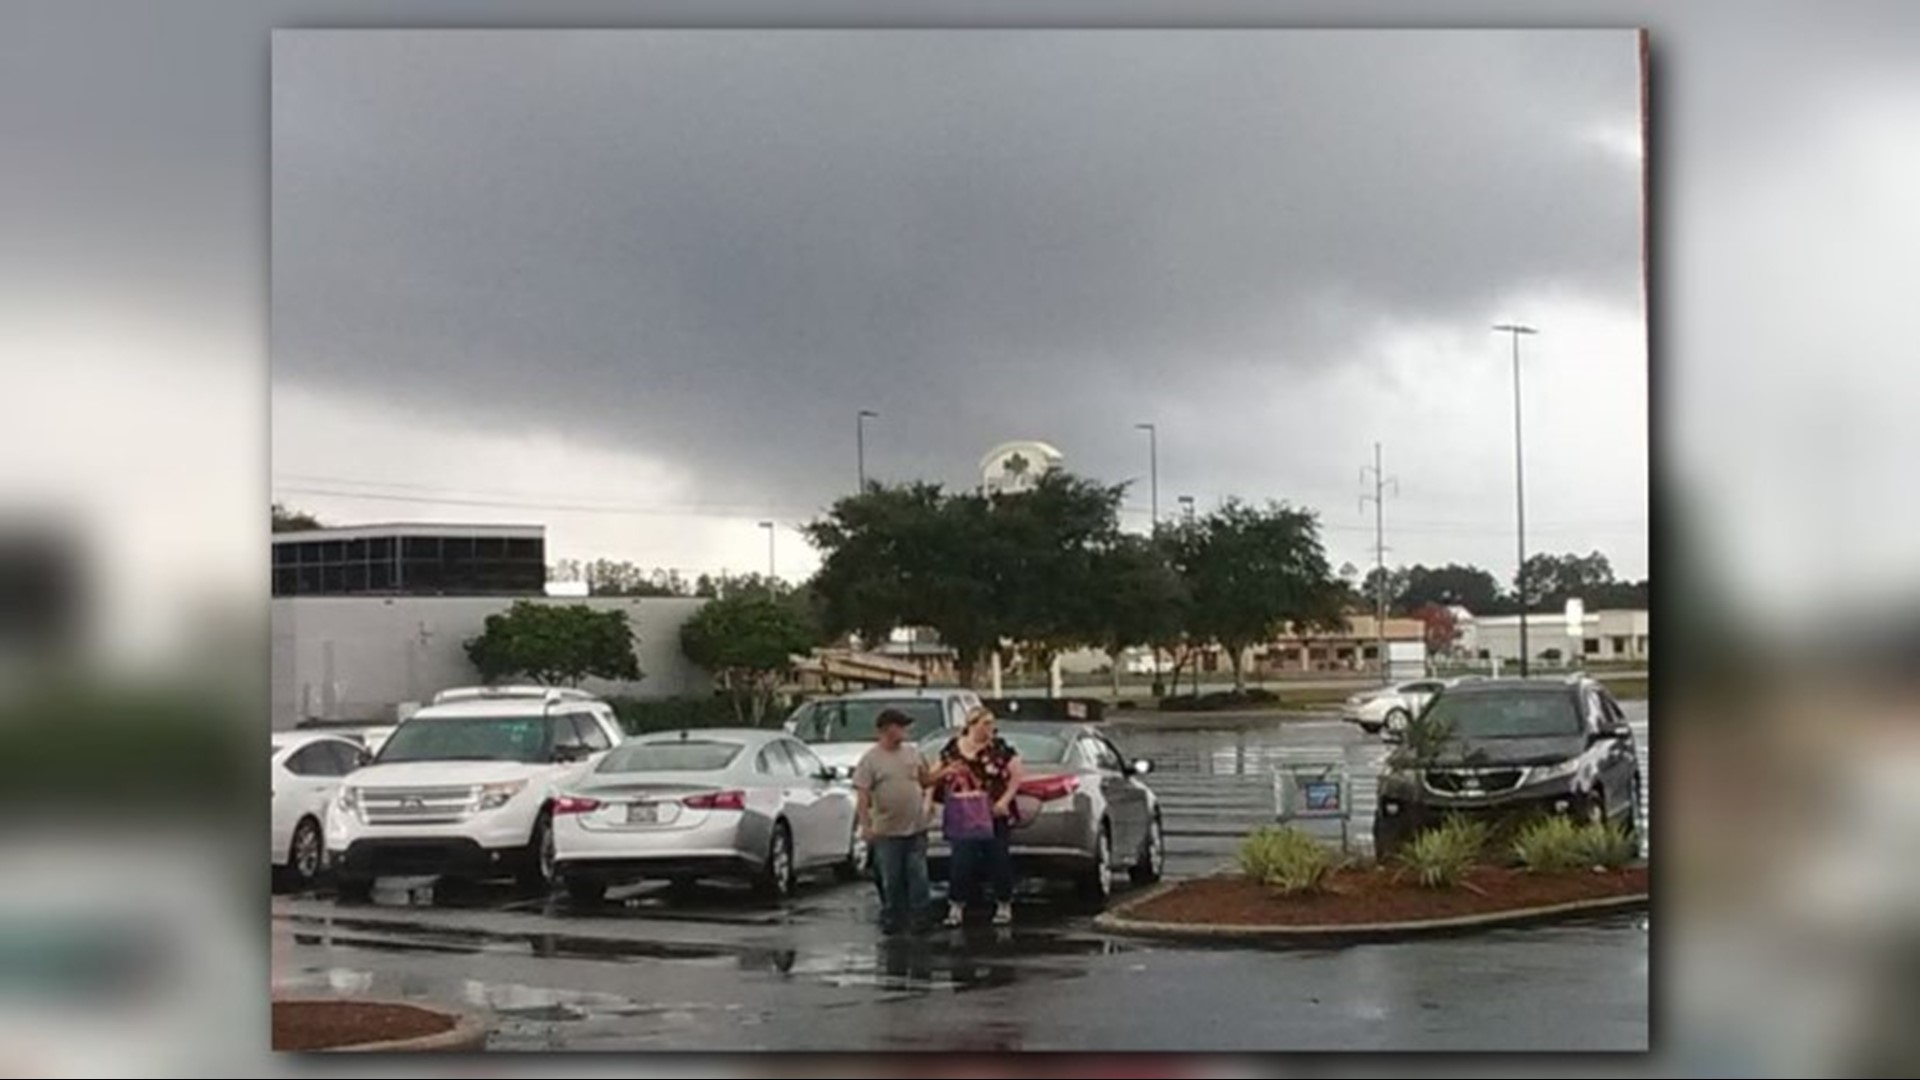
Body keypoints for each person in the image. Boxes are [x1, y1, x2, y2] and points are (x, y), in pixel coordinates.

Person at [852, 708, 941, 934]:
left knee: (918, 874)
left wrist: (945, 773)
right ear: (886, 729)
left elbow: (925, 779)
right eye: (899, 726)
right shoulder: (871, 760)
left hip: (915, 827)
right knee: (891, 878)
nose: (904, 731)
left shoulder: (913, 753)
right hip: (887, 831)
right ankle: (893, 917)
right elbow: (862, 795)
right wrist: (865, 825)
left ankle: (921, 918)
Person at [935, 708, 1024, 927]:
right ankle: (956, 906)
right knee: (961, 861)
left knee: (998, 859)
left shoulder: (999, 748)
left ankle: (1003, 903)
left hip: (993, 812)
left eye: (991, 723)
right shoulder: (953, 749)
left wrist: (1004, 800)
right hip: (964, 813)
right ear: (972, 725)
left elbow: (1017, 774)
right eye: (985, 723)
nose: (990, 728)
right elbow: (937, 771)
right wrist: (933, 793)